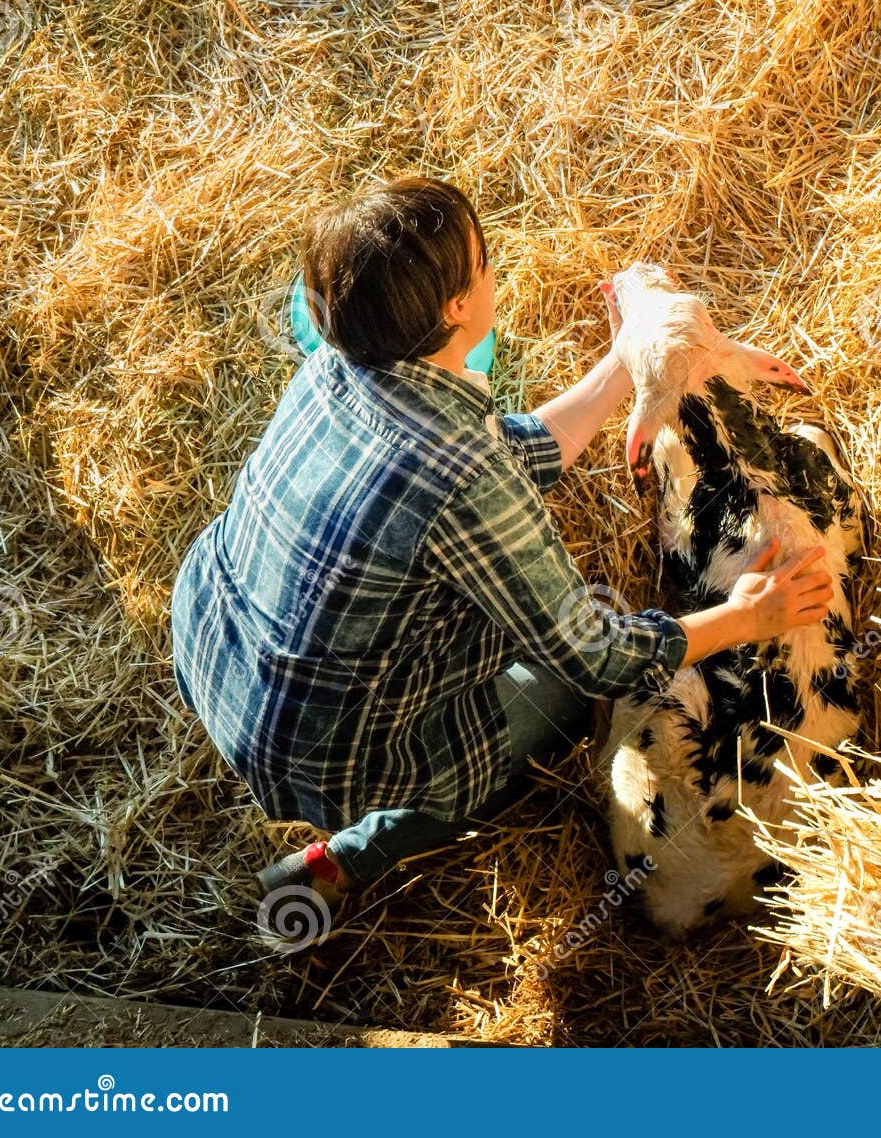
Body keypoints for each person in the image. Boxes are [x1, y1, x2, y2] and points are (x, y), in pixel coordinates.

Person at [169, 176, 833, 931]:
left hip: (208, 638)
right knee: (554, 688)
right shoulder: (462, 476)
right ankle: (351, 854)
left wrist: (628, 362)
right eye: (484, 262)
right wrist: (746, 616)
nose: (493, 272)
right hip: (321, 753)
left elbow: (502, 450)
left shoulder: (335, 364)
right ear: (459, 309)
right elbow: (598, 658)